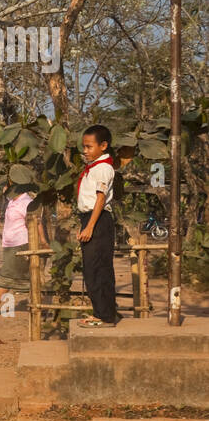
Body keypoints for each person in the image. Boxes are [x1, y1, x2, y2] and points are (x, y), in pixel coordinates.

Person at [77, 124, 118, 327]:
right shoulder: (93, 168)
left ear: (103, 146)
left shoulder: (103, 168)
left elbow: (100, 199)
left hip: (98, 219)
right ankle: (102, 312)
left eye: (89, 147)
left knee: (99, 268)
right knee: (92, 268)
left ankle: (105, 315)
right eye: (84, 147)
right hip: (90, 218)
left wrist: (90, 226)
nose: (85, 151)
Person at [0, 187, 40, 315]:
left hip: (21, 242)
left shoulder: (27, 202)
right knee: (23, 273)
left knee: (8, 272)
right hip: (9, 244)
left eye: (6, 186)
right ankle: (38, 301)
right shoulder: (11, 200)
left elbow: (36, 222)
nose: (4, 188)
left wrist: (43, 241)